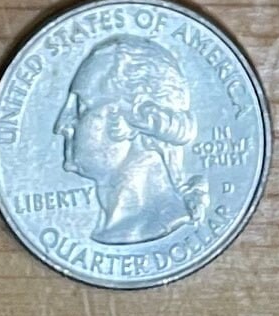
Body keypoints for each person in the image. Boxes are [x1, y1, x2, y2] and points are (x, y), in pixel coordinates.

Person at [53, 35, 206, 246]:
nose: (63, 124)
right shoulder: (117, 228)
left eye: (82, 107)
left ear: (132, 119)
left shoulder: (153, 225)